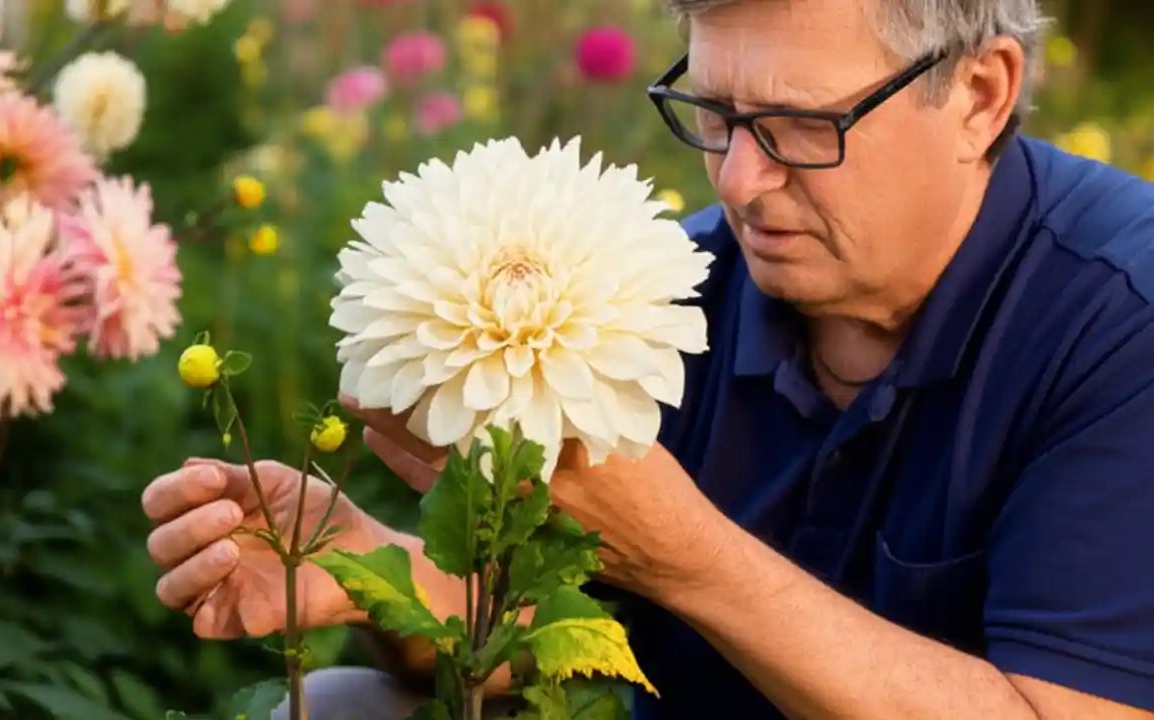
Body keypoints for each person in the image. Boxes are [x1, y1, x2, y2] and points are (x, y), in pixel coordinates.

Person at [141, 0, 1154, 717]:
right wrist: (360, 572)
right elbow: (547, 640)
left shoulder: (1116, 323)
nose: (741, 180)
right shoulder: (665, 290)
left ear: (978, 93)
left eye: (801, 126)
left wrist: (688, 558)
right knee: (341, 706)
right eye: (712, 114)